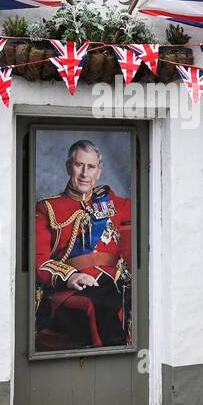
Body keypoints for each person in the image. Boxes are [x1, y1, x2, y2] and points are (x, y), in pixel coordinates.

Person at [33, 140, 131, 350]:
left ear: (99, 171)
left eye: (91, 167)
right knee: (99, 304)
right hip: (71, 289)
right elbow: (38, 261)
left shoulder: (112, 202)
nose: (85, 173)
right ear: (69, 167)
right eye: (79, 165)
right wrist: (70, 277)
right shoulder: (47, 208)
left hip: (111, 285)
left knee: (111, 299)